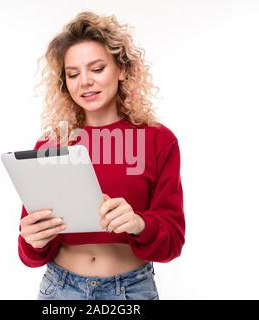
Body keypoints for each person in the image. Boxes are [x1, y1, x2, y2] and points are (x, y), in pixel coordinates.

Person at [17, 11, 185, 300]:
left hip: (132, 290)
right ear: (64, 82)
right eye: (73, 74)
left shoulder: (159, 140)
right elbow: (31, 253)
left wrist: (139, 224)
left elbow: (172, 242)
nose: (85, 82)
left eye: (96, 68)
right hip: (61, 289)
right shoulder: (52, 145)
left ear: (121, 70)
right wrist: (31, 239)